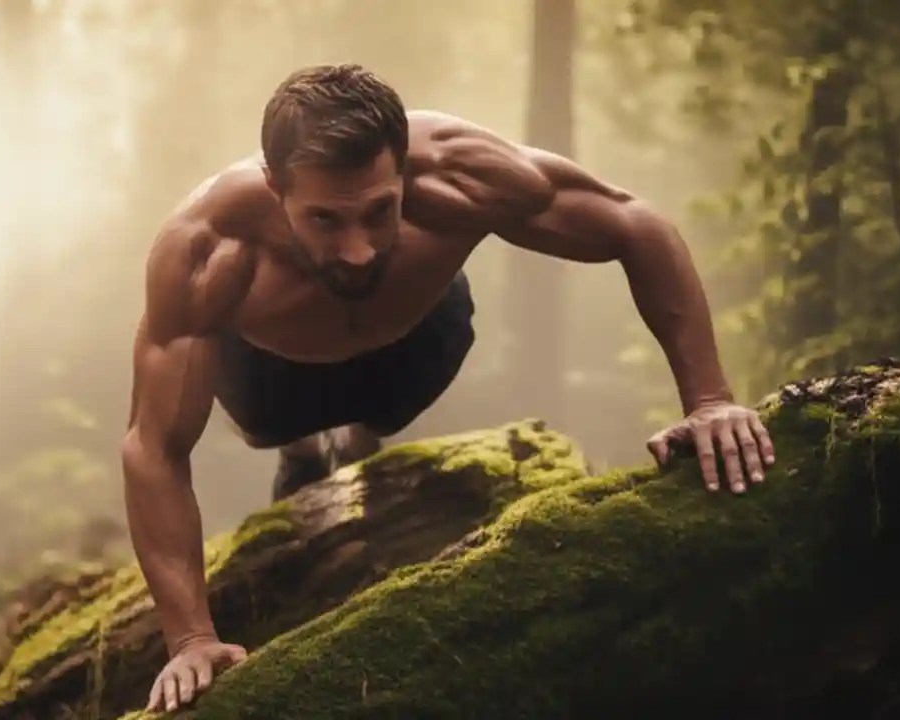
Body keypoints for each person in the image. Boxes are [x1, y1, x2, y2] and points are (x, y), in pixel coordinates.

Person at [121, 64, 777, 713]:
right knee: (271, 422)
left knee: (401, 378)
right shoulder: (208, 248)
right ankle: (305, 450)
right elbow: (153, 448)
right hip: (276, 381)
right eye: (325, 220)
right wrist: (191, 638)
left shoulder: (461, 170)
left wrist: (709, 400)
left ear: (403, 165)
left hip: (413, 351)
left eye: (381, 212)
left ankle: (358, 432)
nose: (358, 249)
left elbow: (636, 224)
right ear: (274, 184)